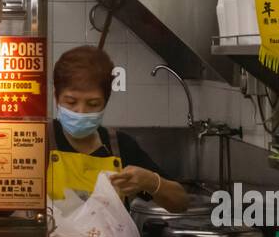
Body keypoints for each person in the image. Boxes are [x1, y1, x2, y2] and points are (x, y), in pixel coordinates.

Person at [52, 45, 194, 212]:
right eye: (71, 102)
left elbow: (181, 203)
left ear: (105, 103)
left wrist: (151, 181)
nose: (81, 112)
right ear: (56, 98)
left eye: (93, 104)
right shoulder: (39, 140)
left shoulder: (119, 146)